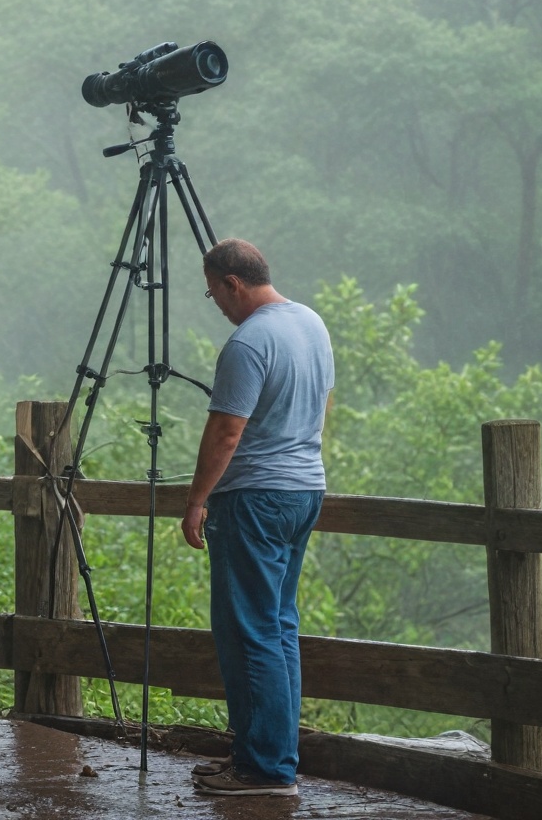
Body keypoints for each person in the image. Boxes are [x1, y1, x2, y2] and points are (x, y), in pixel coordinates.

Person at [180, 238, 333, 797]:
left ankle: (264, 770)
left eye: (213, 291)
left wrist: (197, 499)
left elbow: (226, 431)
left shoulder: (247, 343)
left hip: (254, 499)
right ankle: (266, 757)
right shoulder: (311, 324)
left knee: (249, 631)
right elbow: (323, 402)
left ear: (232, 283)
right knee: (278, 627)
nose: (216, 302)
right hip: (304, 490)